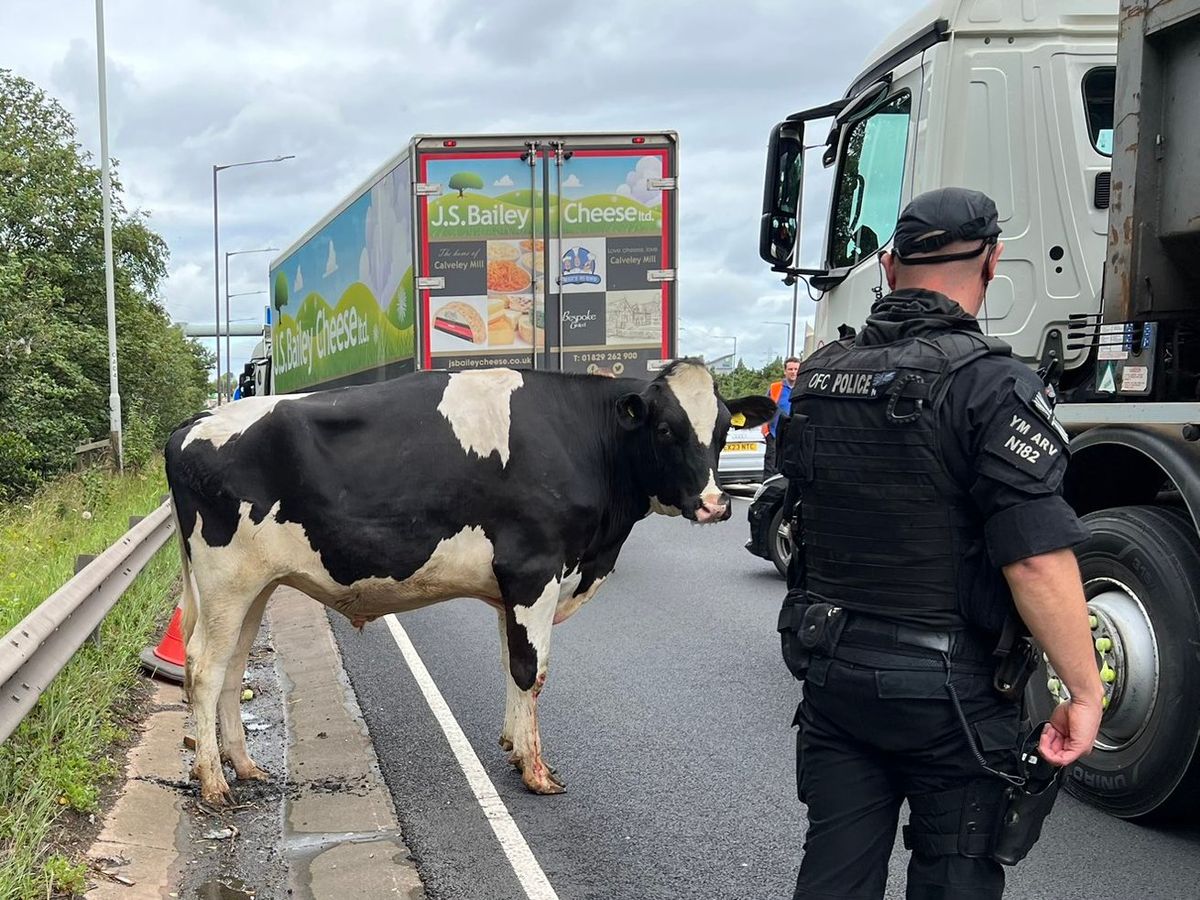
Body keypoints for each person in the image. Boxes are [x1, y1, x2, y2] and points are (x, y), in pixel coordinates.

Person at [777, 187, 1104, 899]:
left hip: (833, 676)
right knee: (955, 879)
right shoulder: (994, 385)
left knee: (834, 874)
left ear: (890, 268)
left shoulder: (822, 377)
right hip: (951, 699)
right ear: (993, 262)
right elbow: (1035, 560)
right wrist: (1083, 689)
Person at [763, 356, 801, 478]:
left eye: (796, 369)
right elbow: (764, 410)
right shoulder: (775, 388)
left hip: (796, 435)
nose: (793, 372)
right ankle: (769, 493)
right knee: (772, 468)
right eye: (790, 369)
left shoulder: (802, 387)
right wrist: (766, 433)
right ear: (785, 371)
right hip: (775, 435)